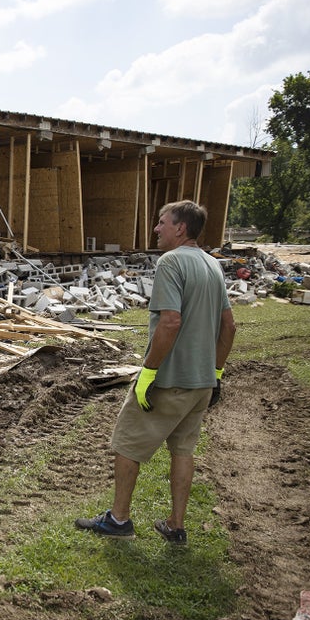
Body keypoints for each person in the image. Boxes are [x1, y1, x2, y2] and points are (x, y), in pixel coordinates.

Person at [75, 200, 236, 544]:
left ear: (180, 228)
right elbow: (229, 326)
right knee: (183, 451)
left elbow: (170, 321)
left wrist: (148, 373)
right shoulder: (212, 264)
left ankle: (118, 521)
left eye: (162, 223)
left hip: (170, 380)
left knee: (126, 445)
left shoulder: (172, 262)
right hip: (201, 383)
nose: (156, 229)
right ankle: (176, 527)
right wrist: (217, 373)